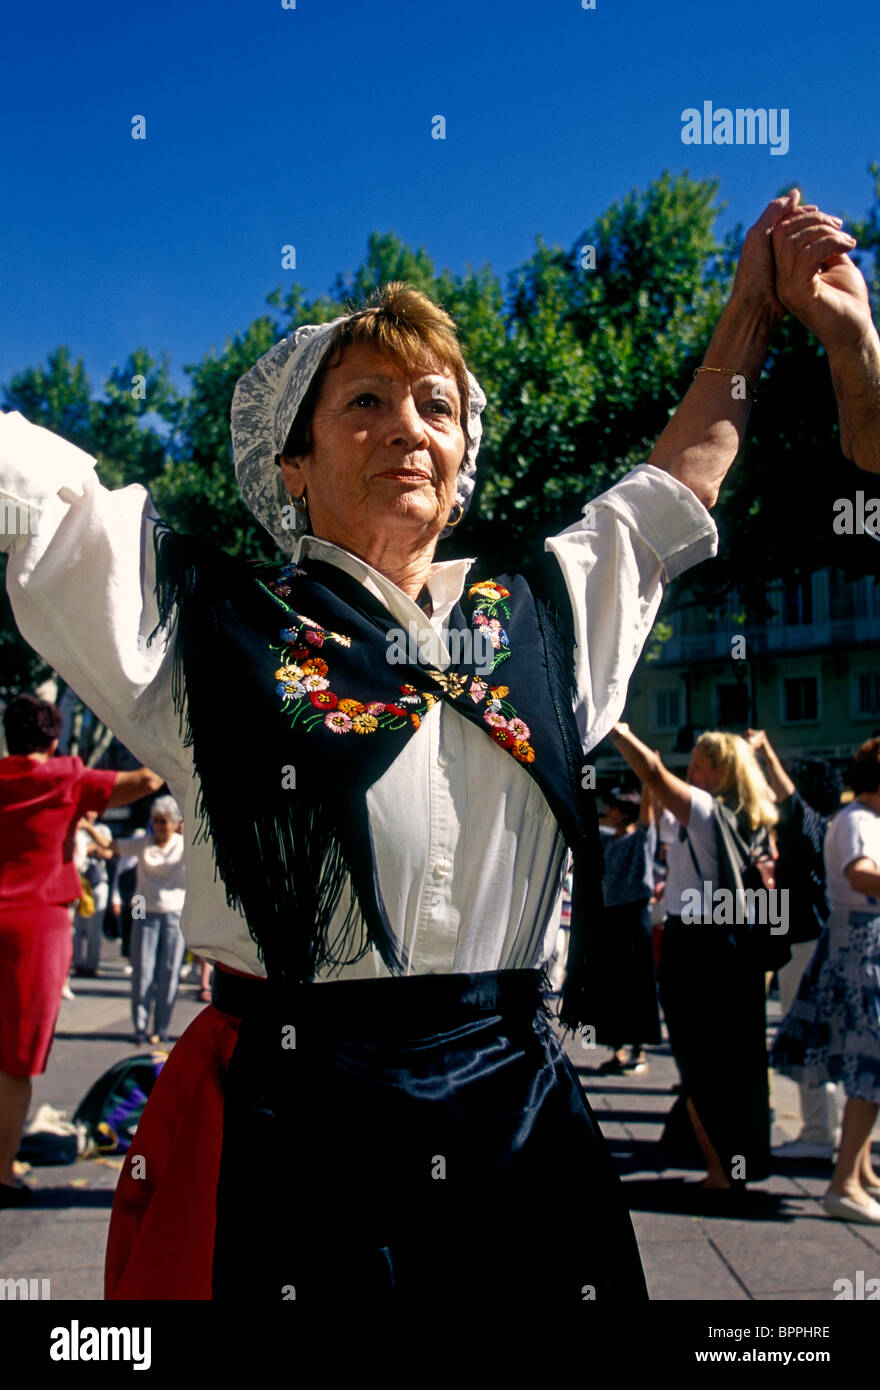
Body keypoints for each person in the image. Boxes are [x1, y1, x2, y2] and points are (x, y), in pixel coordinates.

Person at [1, 192, 878, 1301]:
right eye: (364, 400)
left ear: (463, 460)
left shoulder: (544, 619)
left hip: (513, 1116)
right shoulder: (204, 629)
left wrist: (756, 302)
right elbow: (39, 493)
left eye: (436, 406)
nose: (409, 426)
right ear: (294, 465)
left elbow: (677, 478)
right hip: (287, 1122)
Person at [0, 694, 162, 1206]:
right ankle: (1, 1171)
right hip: (37, 923)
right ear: (53, 738)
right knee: (17, 1060)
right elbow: (148, 781)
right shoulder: (65, 778)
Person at [610, 724, 779, 1192]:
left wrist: (619, 731)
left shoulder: (705, 811)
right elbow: (657, 800)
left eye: (700, 762)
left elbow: (655, 772)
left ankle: (720, 1173)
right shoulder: (750, 817)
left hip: (698, 947)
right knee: (735, 1061)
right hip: (733, 944)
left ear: (720, 770)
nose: (692, 769)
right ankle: (738, 1163)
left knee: (699, 1058)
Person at [771, 738, 880, 1223]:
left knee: (865, 1069)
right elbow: (860, 875)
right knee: (866, 1070)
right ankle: (844, 1180)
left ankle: (856, 1168)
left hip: (853, 946)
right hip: (859, 951)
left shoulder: (857, 819)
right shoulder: (856, 821)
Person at [745, 730, 842, 1160]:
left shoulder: (811, 827)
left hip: (805, 941)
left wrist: (764, 750)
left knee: (807, 1036)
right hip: (817, 937)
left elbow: (789, 800)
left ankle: (819, 1133)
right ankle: (823, 1128)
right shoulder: (833, 829)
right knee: (819, 1036)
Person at [84, 797, 186, 1044]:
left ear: (175, 824)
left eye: (165, 822)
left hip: (174, 911)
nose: (161, 827)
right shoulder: (143, 843)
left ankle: (160, 1028)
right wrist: (86, 828)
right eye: (157, 822)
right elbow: (111, 844)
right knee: (142, 970)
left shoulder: (184, 846)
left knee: (169, 971)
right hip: (143, 908)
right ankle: (140, 1027)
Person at [593, 786, 660, 1075]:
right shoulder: (607, 839)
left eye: (614, 807)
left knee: (638, 983)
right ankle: (617, 1048)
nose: (609, 811)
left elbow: (647, 818)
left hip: (634, 915)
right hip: (611, 917)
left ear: (626, 810)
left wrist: (648, 783)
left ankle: (638, 1049)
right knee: (612, 985)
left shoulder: (640, 840)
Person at [71, 809, 114, 976]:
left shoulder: (102, 829)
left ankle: (92, 964)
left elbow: (109, 850)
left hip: (98, 883)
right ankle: (77, 963)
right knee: (77, 926)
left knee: (95, 927)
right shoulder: (75, 828)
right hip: (79, 881)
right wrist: (94, 848)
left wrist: (89, 831)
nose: (89, 814)